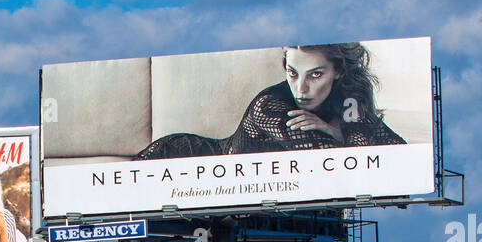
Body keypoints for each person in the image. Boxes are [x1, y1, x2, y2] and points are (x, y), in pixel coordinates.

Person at [136, 43, 406, 160]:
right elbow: (323, 156)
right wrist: (342, 133)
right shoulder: (269, 106)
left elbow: (397, 149)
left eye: (316, 74)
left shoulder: (348, 97)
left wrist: (336, 129)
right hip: (183, 157)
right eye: (292, 73)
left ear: (338, 72)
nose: (301, 89)